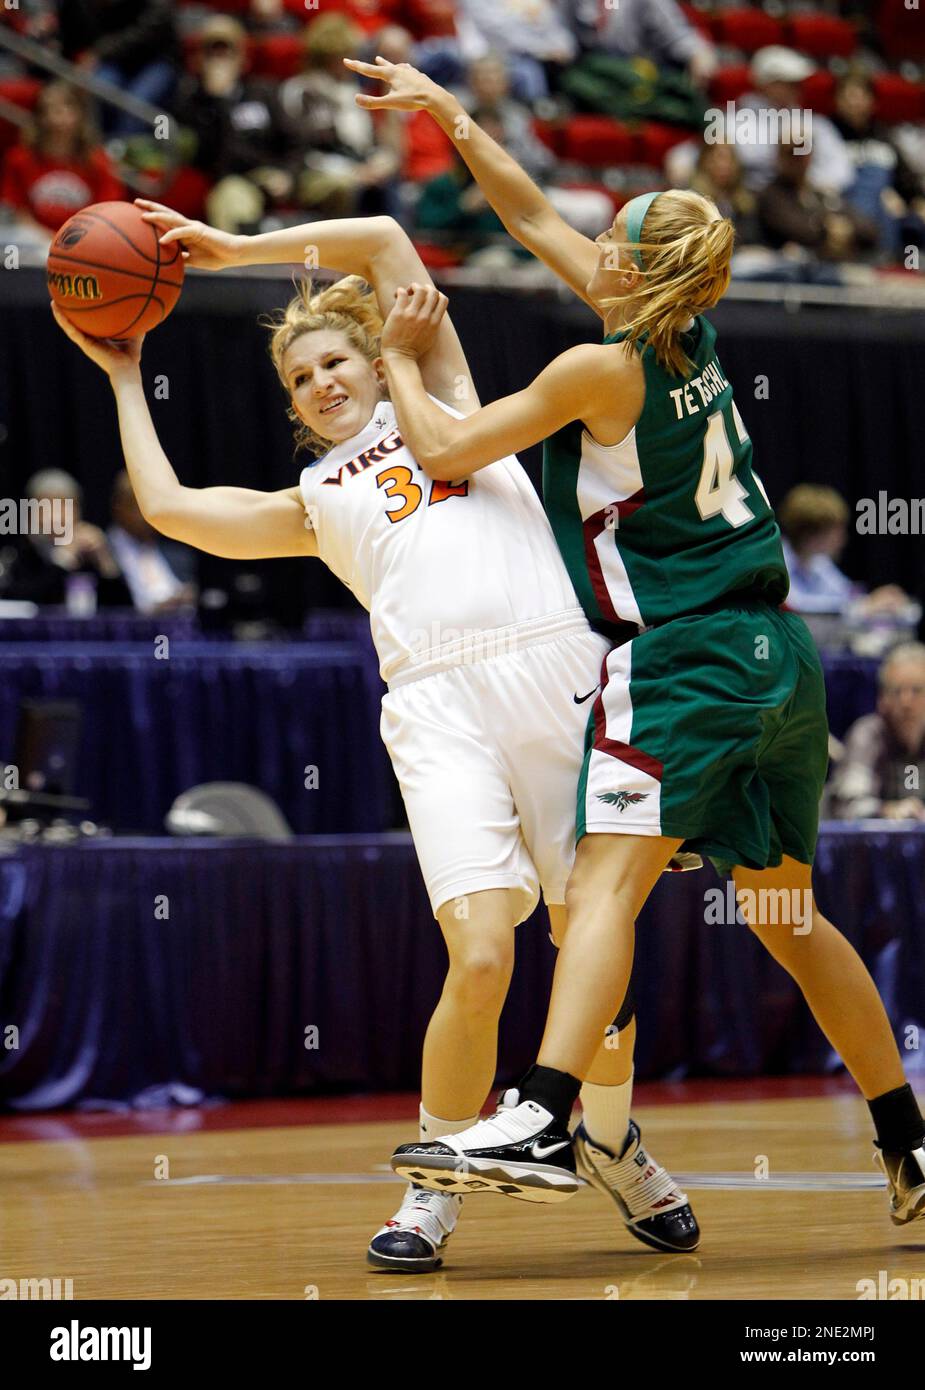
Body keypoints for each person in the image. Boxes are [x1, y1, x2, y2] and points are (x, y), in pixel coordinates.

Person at [53, 200, 701, 1270]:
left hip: (555, 673)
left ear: (373, 351)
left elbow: (388, 238)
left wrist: (232, 249)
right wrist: (125, 375)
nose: (320, 384)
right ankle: (434, 1181)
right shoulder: (312, 499)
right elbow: (167, 507)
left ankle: (610, 1134)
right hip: (435, 710)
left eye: (332, 361)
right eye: (300, 381)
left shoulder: (439, 397)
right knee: (480, 955)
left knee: (592, 941)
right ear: (298, 409)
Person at [345, 56, 925, 1229]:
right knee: (787, 920)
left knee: (601, 883)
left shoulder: (593, 367)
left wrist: (398, 358)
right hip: (782, 658)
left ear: (631, 268)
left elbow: (449, 454)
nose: (589, 236)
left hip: (690, 655)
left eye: (609, 232)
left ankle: (549, 1110)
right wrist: (454, 110)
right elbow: (524, 209)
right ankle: (909, 1140)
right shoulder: (680, 339)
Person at [173, 15, 294, 235]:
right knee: (233, 200)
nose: (221, 59)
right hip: (231, 180)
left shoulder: (263, 91)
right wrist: (218, 100)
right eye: (213, 52)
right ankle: (243, 270)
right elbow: (206, 157)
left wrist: (287, 174)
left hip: (272, 174)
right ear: (200, 59)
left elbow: (293, 139)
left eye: (227, 50)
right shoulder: (191, 100)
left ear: (242, 57)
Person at [0, 81, 123, 249]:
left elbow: (108, 212)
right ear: (39, 116)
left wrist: (72, 242)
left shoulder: (98, 161)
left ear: (79, 115)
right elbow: (17, 211)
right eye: (50, 109)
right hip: (35, 241)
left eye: (66, 108)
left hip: (85, 241)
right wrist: (50, 240)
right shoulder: (20, 158)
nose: (58, 117)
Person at [0, 470, 131, 608]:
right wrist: (63, 559)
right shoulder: (17, 553)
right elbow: (18, 602)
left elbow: (124, 609)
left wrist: (105, 561)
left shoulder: (89, 552)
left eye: (65, 506)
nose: (58, 516)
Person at [828, 643, 925, 823]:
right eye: (896, 691)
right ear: (882, 699)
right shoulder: (867, 735)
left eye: (917, 691)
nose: (906, 702)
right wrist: (889, 811)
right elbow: (849, 805)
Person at [107, 471, 196, 614]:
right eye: (139, 506)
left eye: (153, 504)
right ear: (118, 506)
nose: (149, 513)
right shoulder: (103, 551)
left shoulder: (180, 554)